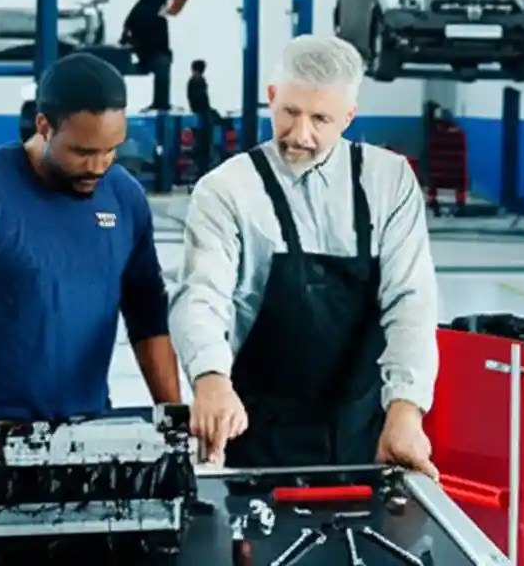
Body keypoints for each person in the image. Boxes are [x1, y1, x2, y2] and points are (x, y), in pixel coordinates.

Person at [0, 52, 182, 483]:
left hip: (89, 440)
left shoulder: (123, 196)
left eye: (111, 150)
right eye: (82, 151)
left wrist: (172, 427)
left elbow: (146, 310)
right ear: (44, 126)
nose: (99, 166)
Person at [169, 34, 440, 476]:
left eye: (321, 119)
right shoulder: (227, 190)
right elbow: (201, 295)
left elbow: (411, 299)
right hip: (257, 433)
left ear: (349, 117)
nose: (301, 135)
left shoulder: (389, 181)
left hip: (365, 431)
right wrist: (210, 378)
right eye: (290, 113)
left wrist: (406, 411)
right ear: (271, 96)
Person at [121, 0, 189, 111]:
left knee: (161, 61)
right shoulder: (156, 16)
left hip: (141, 44)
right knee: (162, 63)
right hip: (144, 46)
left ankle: (160, 102)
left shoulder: (153, 4)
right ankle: (161, 103)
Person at [187, 58, 222, 176]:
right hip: (203, 114)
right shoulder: (198, 81)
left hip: (200, 114)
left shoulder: (194, 81)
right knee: (204, 143)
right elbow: (201, 99)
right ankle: (203, 166)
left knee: (202, 143)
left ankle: (201, 167)